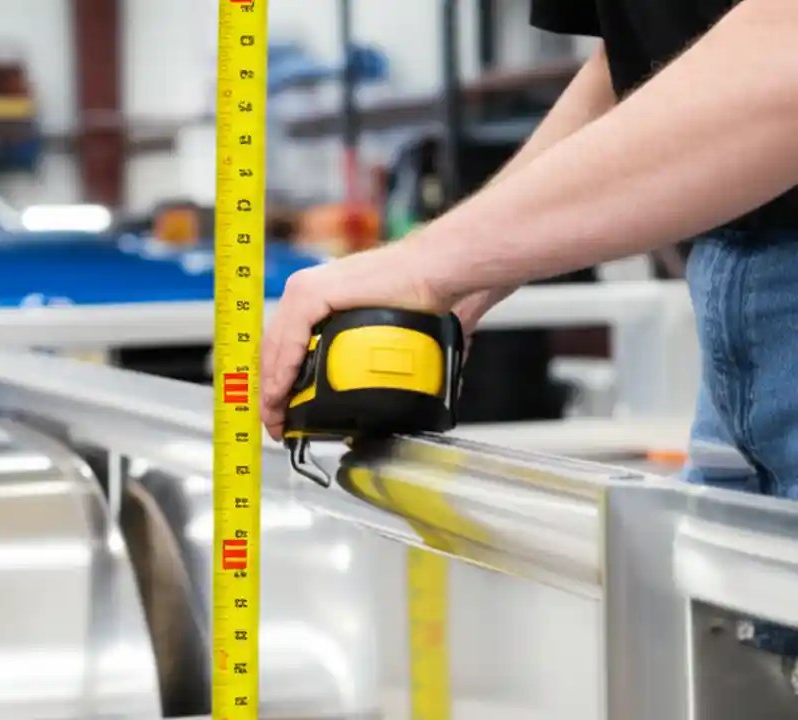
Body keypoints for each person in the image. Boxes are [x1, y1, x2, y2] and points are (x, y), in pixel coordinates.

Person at [261, 0, 798, 655]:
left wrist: (429, 263)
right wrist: (456, 281)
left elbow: (786, 47)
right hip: (735, 331)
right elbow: (641, 62)